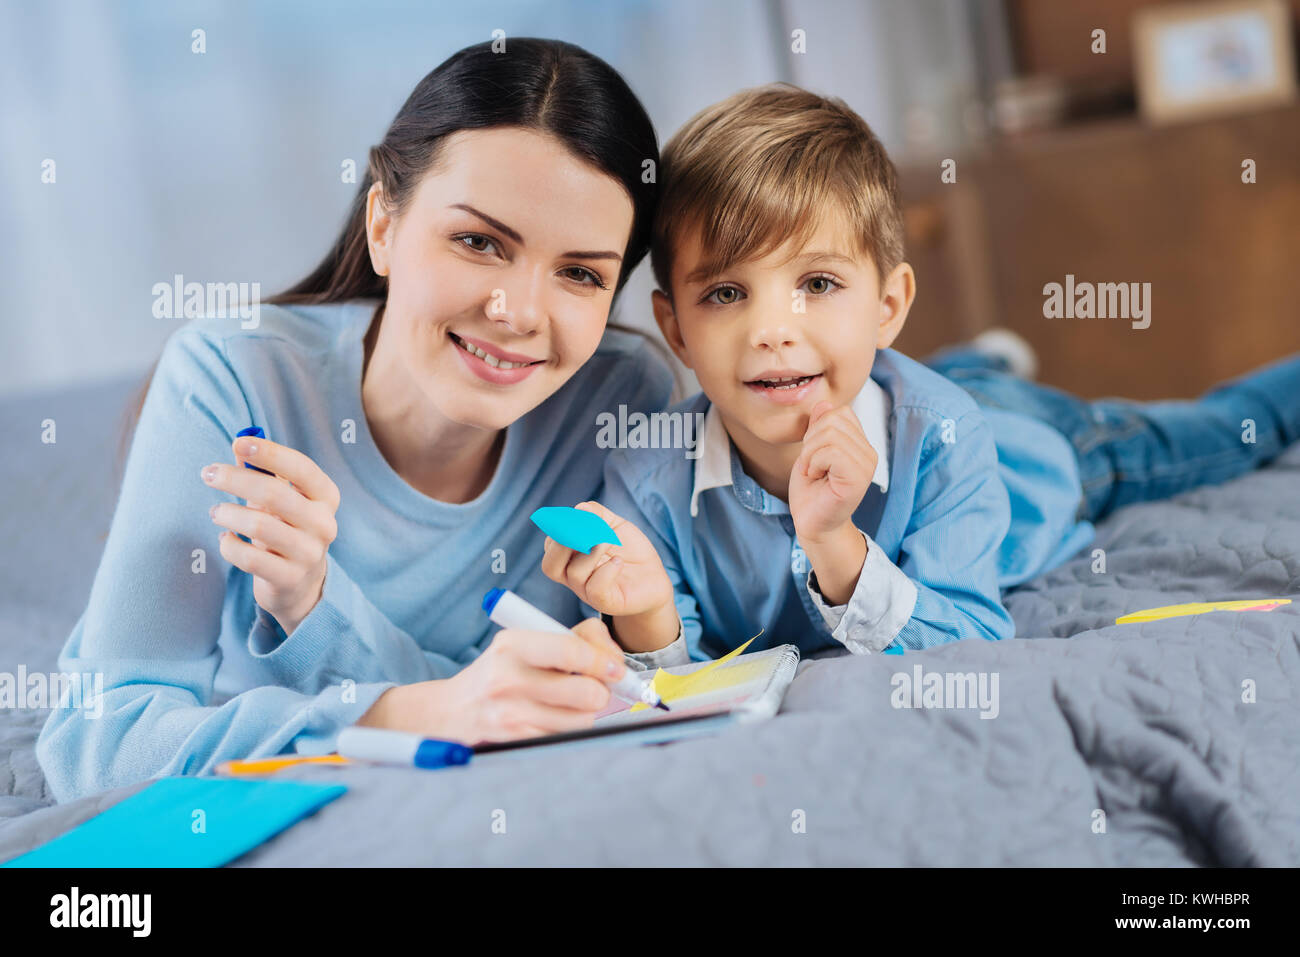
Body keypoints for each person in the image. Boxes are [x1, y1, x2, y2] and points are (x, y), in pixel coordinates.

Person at [38, 39, 674, 803]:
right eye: (478, 242)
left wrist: (319, 608)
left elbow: (545, 689)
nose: (518, 313)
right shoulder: (230, 377)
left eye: (580, 273)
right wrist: (415, 708)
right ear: (383, 225)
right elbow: (95, 740)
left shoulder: (618, 401)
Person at [539, 83, 1300, 665]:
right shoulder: (645, 476)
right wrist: (642, 616)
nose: (772, 330)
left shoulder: (945, 436)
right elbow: (674, 671)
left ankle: (989, 368)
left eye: (819, 284)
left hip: (1029, 448)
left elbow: (970, 638)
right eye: (727, 293)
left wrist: (835, 544)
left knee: (1216, 432)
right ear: (675, 327)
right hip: (897, 381)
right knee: (927, 378)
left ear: (890, 303)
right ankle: (982, 355)